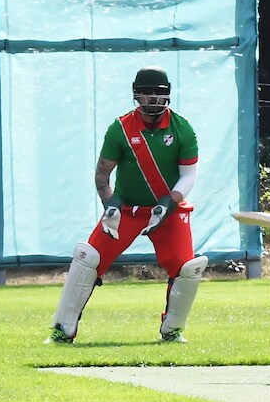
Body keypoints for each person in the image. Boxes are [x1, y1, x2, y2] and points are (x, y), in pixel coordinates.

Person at [48, 66, 207, 343]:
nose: (153, 99)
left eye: (159, 94)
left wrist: (167, 204)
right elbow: (102, 175)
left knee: (187, 268)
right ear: (136, 95)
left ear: (167, 95)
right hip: (126, 211)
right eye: (147, 93)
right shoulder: (120, 128)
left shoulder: (183, 128)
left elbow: (188, 177)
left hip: (168, 211)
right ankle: (63, 330)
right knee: (88, 259)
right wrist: (110, 206)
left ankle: (172, 331)